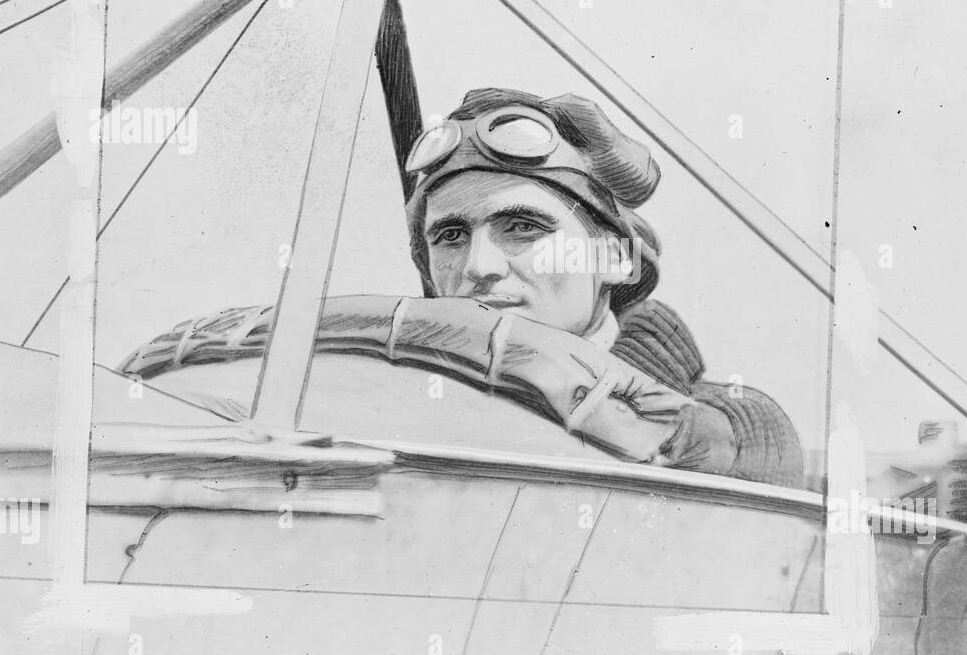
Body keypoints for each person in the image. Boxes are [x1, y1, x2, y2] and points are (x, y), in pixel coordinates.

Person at [122, 88, 805, 488]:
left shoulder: (734, 424)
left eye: (522, 227)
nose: (478, 265)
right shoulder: (373, 390)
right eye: (449, 236)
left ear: (616, 255)